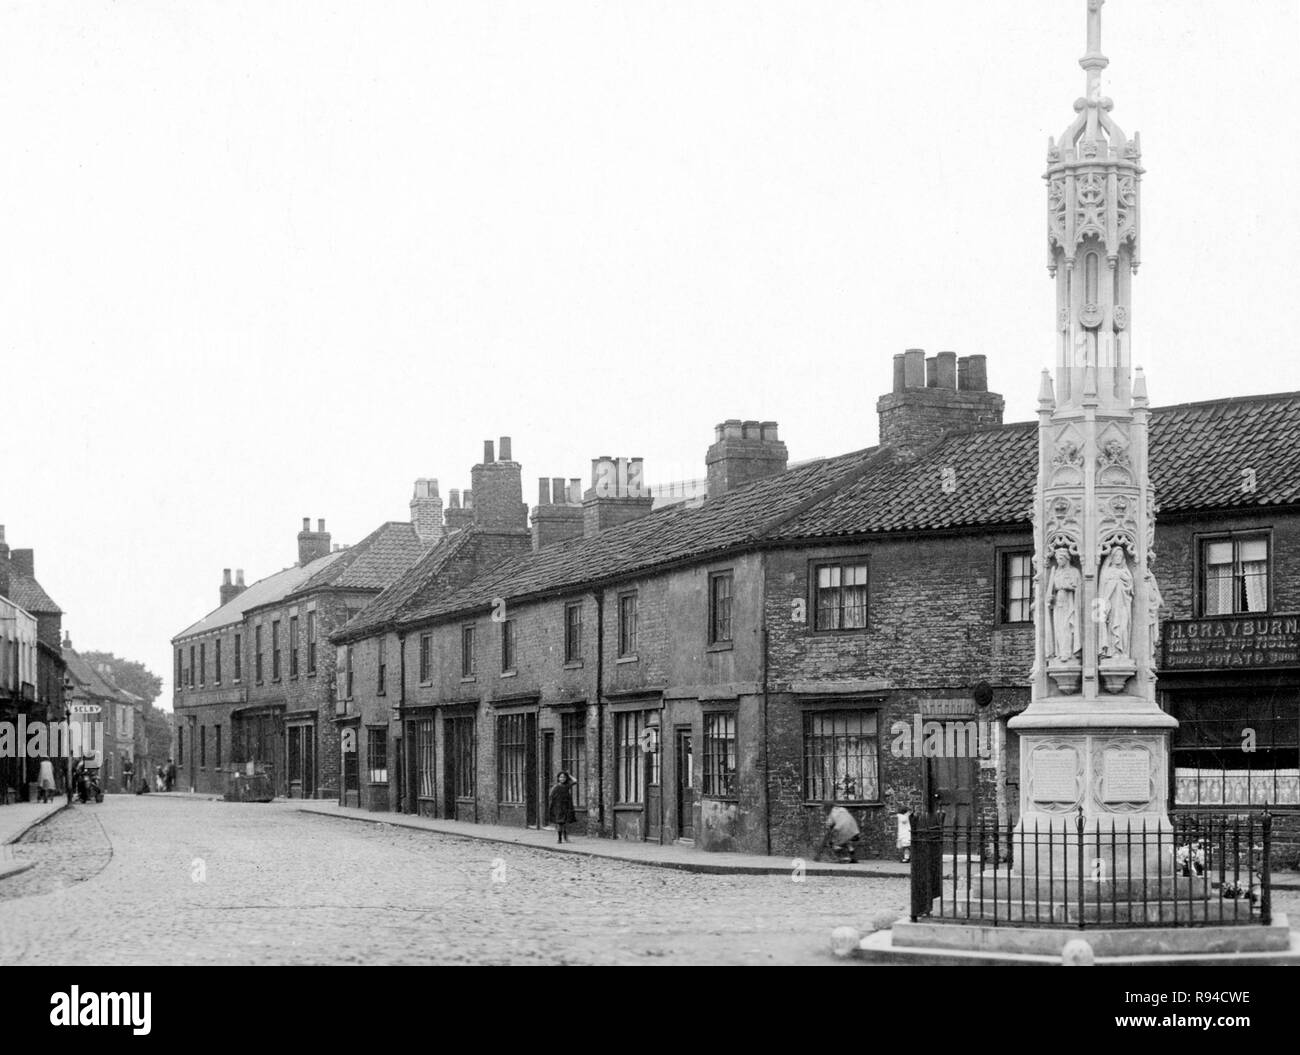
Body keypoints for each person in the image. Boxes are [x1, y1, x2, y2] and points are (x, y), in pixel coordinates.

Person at [1098, 547, 1134, 659]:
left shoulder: (1125, 572)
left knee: (1123, 626)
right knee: (1112, 626)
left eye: (1120, 556)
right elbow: (1103, 591)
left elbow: (1131, 589)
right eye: (1116, 556)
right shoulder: (1107, 572)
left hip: (1123, 605)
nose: (1118, 558)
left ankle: (1122, 651)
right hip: (1112, 606)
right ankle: (1112, 652)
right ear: (1112, 558)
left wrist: (1123, 579)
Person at [1047, 547, 1081, 661]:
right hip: (1058, 603)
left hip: (1069, 603)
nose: (1058, 561)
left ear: (1067, 558)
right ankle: (1060, 652)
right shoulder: (1056, 572)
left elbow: (1079, 588)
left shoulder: (1074, 571)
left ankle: (1068, 653)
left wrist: (1067, 587)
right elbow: (1051, 589)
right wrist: (1050, 597)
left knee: (1067, 627)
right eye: (1057, 559)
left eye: (1061, 558)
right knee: (1059, 628)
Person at [547, 770, 577, 843]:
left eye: (564, 777)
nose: (562, 779)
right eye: (561, 777)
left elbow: (575, 781)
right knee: (560, 823)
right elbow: (550, 796)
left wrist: (569, 775)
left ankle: (565, 838)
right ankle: (559, 839)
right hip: (559, 807)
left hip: (566, 806)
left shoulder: (567, 786)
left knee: (565, 824)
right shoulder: (556, 787)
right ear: (558, 778)